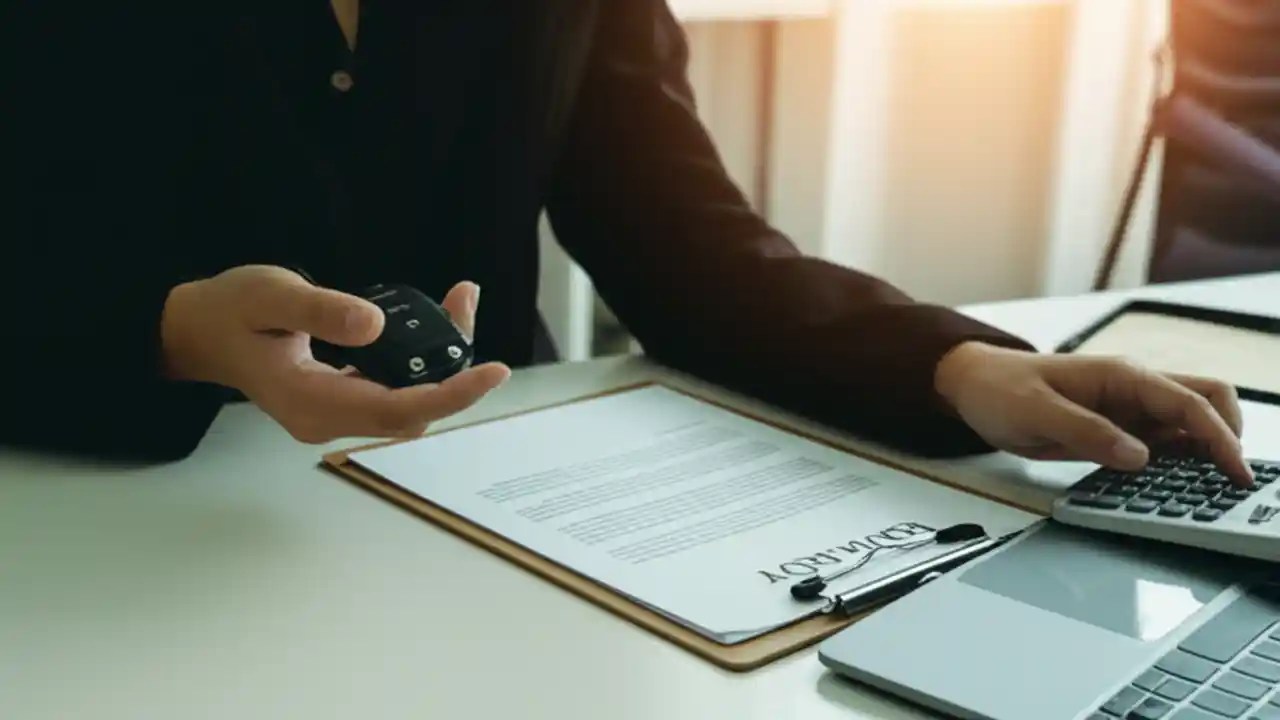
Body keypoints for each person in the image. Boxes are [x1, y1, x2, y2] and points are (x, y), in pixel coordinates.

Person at [1, 2, 1253, 486]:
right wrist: (161, 336)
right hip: (90, 510)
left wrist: (959, 368)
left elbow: (684, 243)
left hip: (477, 499)